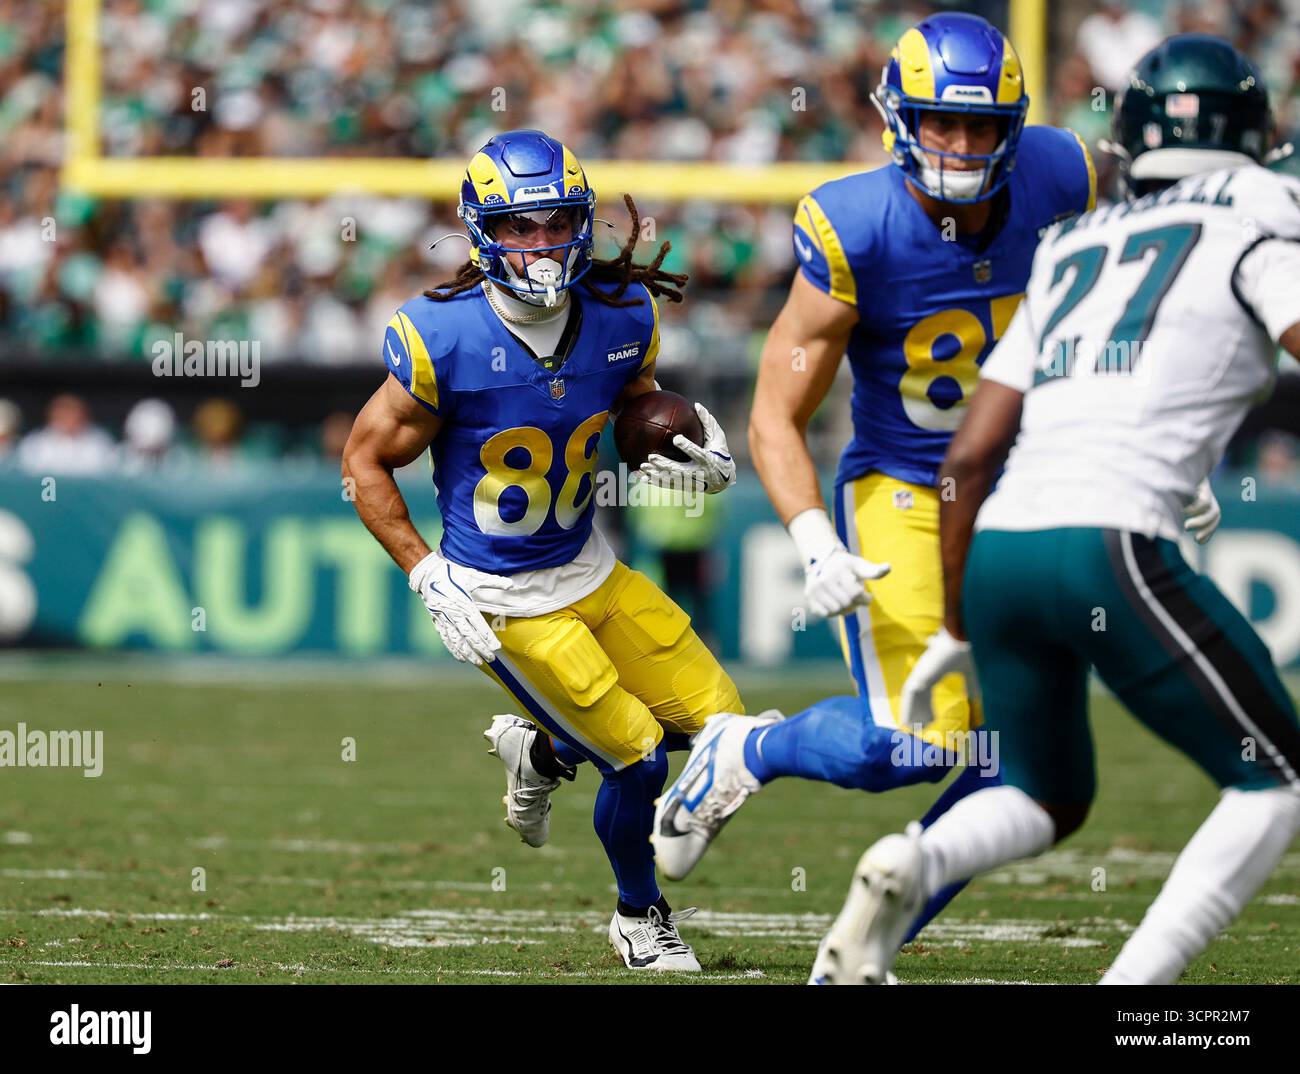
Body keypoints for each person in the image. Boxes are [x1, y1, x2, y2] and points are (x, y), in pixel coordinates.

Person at [817, 34, 1300, 986]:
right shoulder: (1260, 209)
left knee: (1043, 794)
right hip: (1110, 541)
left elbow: (968, 455)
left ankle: (916, 859)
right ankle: (1134, 1000)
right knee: (1275, 780)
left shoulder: (1079, 241)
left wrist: (960, 616)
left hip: (1000, 545)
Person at [654, 14, 1104, 980]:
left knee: (1011, 756)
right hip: (906, 488)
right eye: (941, 122)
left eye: (983, 128)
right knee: (903, 753)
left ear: (1016, 128)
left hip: (1028, 490)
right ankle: (748, 751)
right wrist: (815, 540)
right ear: (899, 118)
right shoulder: (856, 225)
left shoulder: (1065, 175)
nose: (962, 145)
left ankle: (862, 950)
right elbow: (778, 413)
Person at [342, 130, 740, 972]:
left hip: (590, 565)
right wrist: (426, 573)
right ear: (481, 229)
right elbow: (364, 460)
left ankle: (544, 747)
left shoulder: (626, 314)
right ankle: (641, 916)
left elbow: (636, 403)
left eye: (557, 220)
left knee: (724, 732)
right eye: (518, 226)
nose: (541, 242)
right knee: (634, 760)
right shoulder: (439, 337)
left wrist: (686, 440)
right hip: (503, 597)